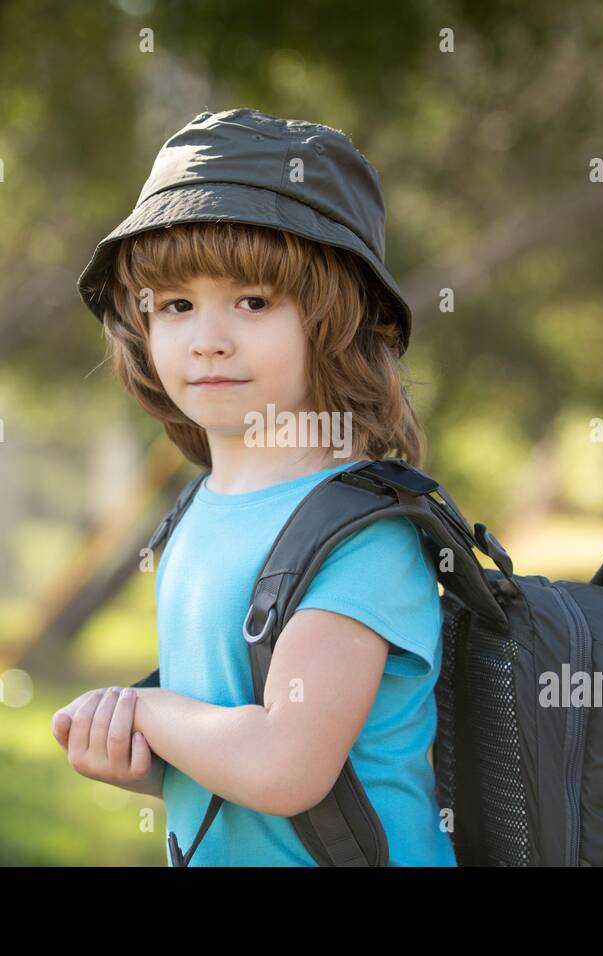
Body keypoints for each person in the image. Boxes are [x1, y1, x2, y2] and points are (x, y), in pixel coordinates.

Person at [51, 108, 455, 866]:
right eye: (175, 305)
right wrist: (139, 753)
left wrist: (147, 707)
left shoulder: (361, 535)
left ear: (337, 320)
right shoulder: (199, 513)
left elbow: (285, 766)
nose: (207, 337)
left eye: (253, 301)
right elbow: (230, 755)